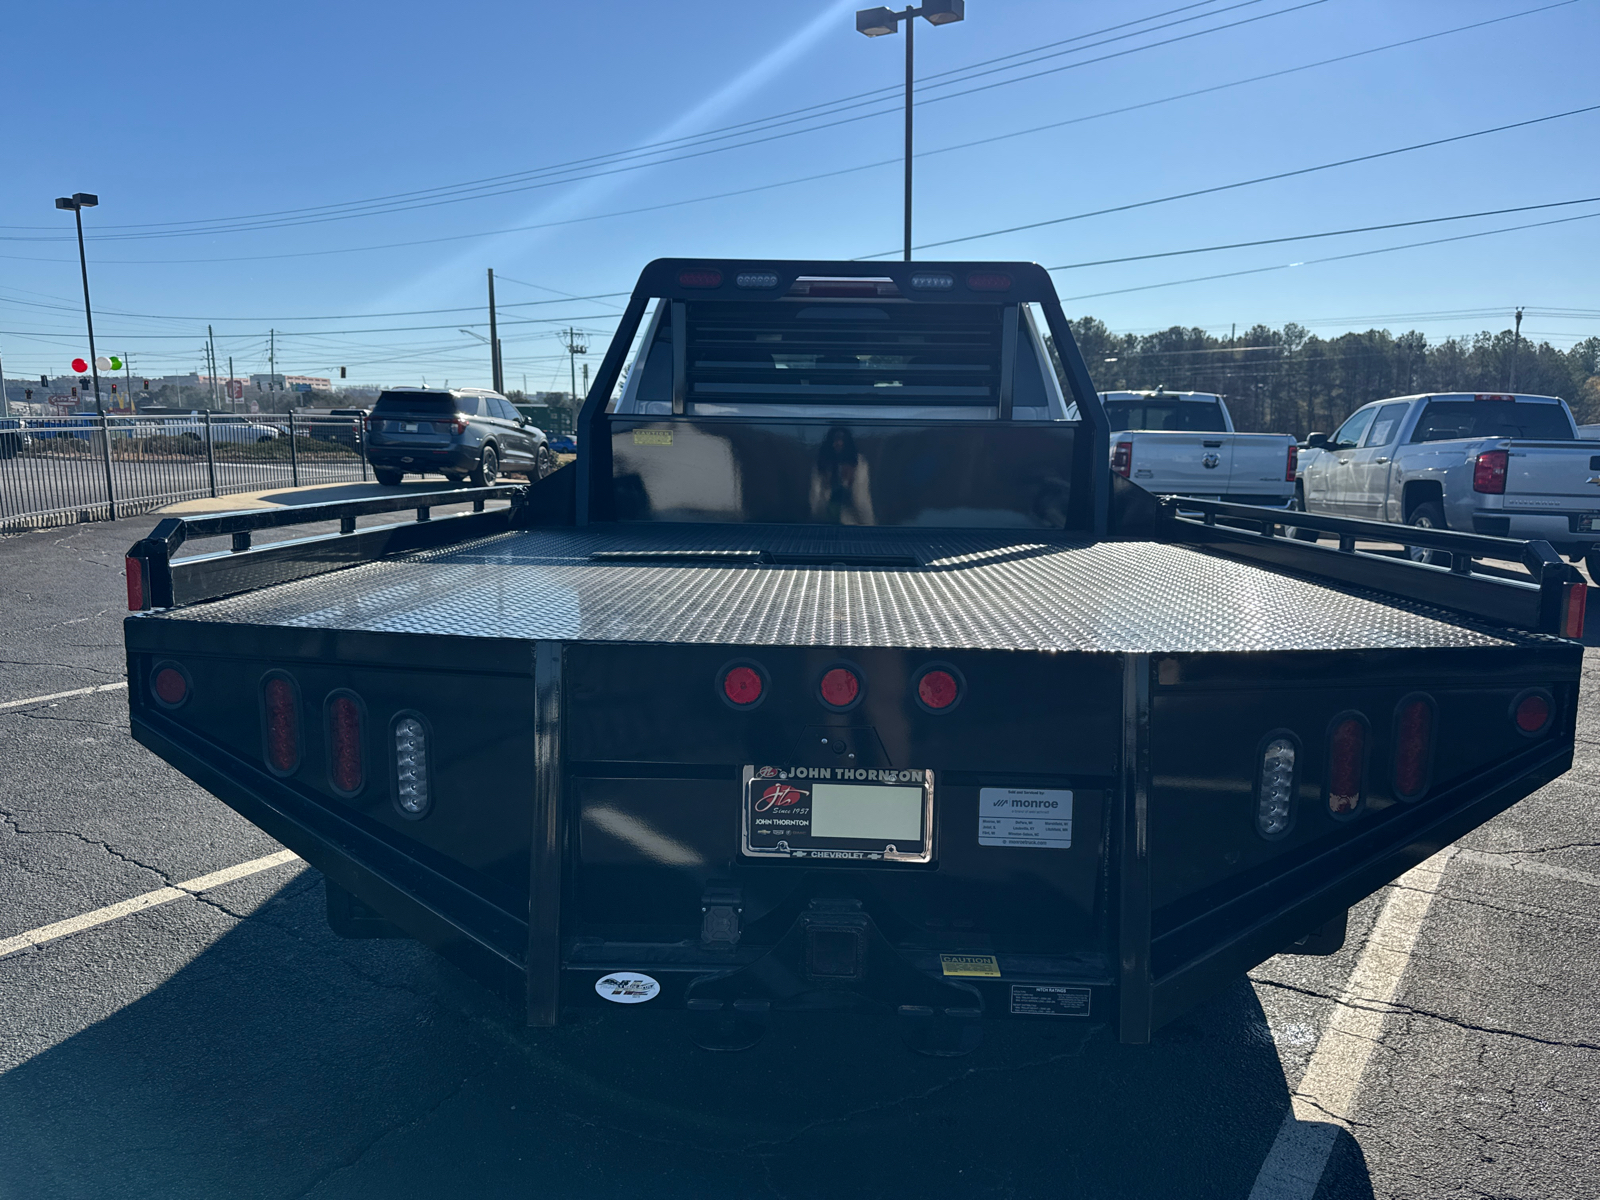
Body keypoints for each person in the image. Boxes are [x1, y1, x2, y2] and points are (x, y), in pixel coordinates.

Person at [810, 426, 875, 525]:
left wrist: (870, 525)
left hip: (851, 523)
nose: (837, 443)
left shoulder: (858, 463)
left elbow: (861, 499)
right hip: (825, 522)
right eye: (834, 439)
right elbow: (815, 498)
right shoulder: (821, 463)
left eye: (841, 439)